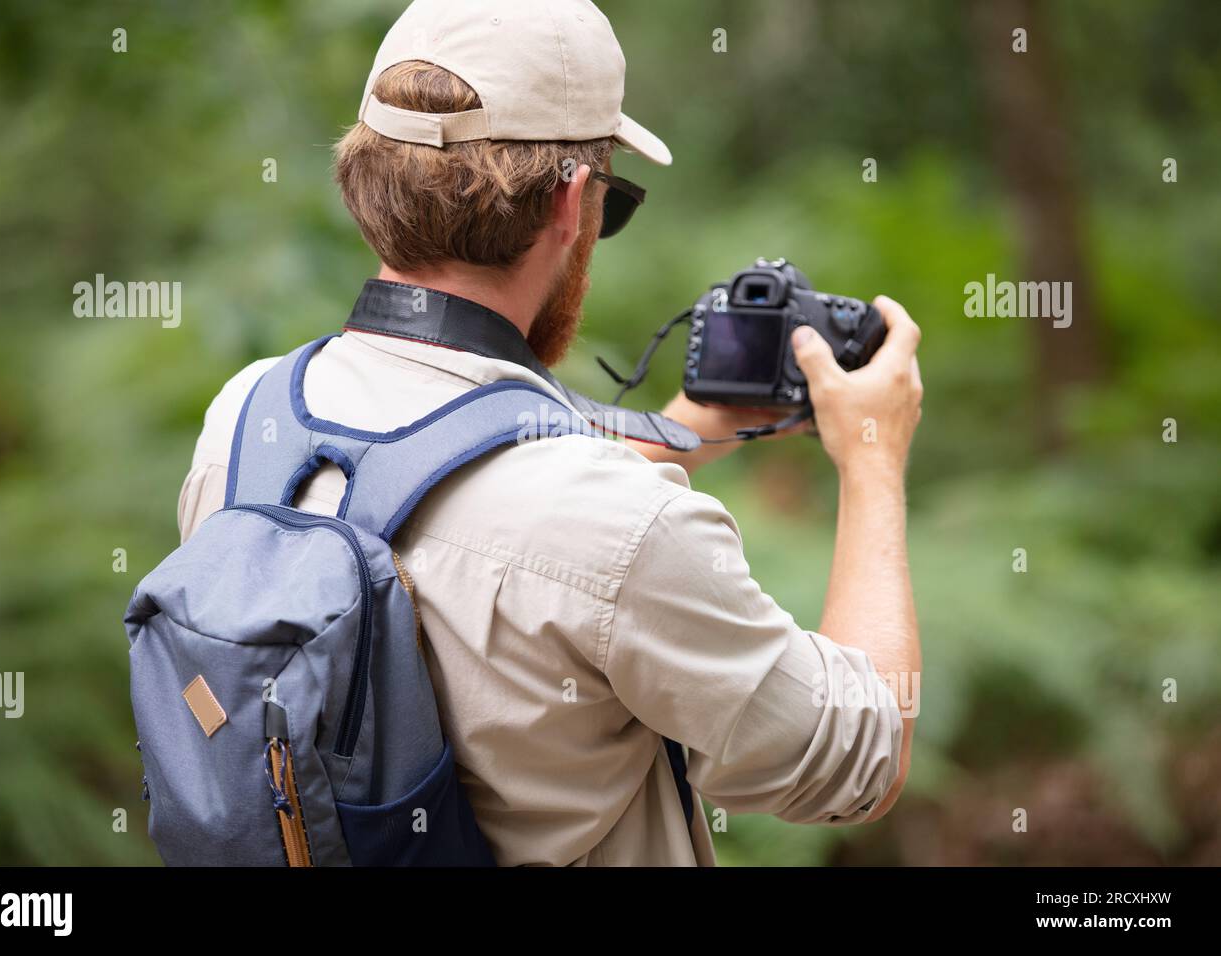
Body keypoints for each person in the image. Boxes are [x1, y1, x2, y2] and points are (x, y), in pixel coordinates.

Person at [178, 0, 923, 866]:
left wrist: (688, 430)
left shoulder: (245, 422)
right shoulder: (624, 525)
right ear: (571, 202)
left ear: (365, 176)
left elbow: (449, 505)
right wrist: (873, 457)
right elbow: (864, 756)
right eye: (613, 201)